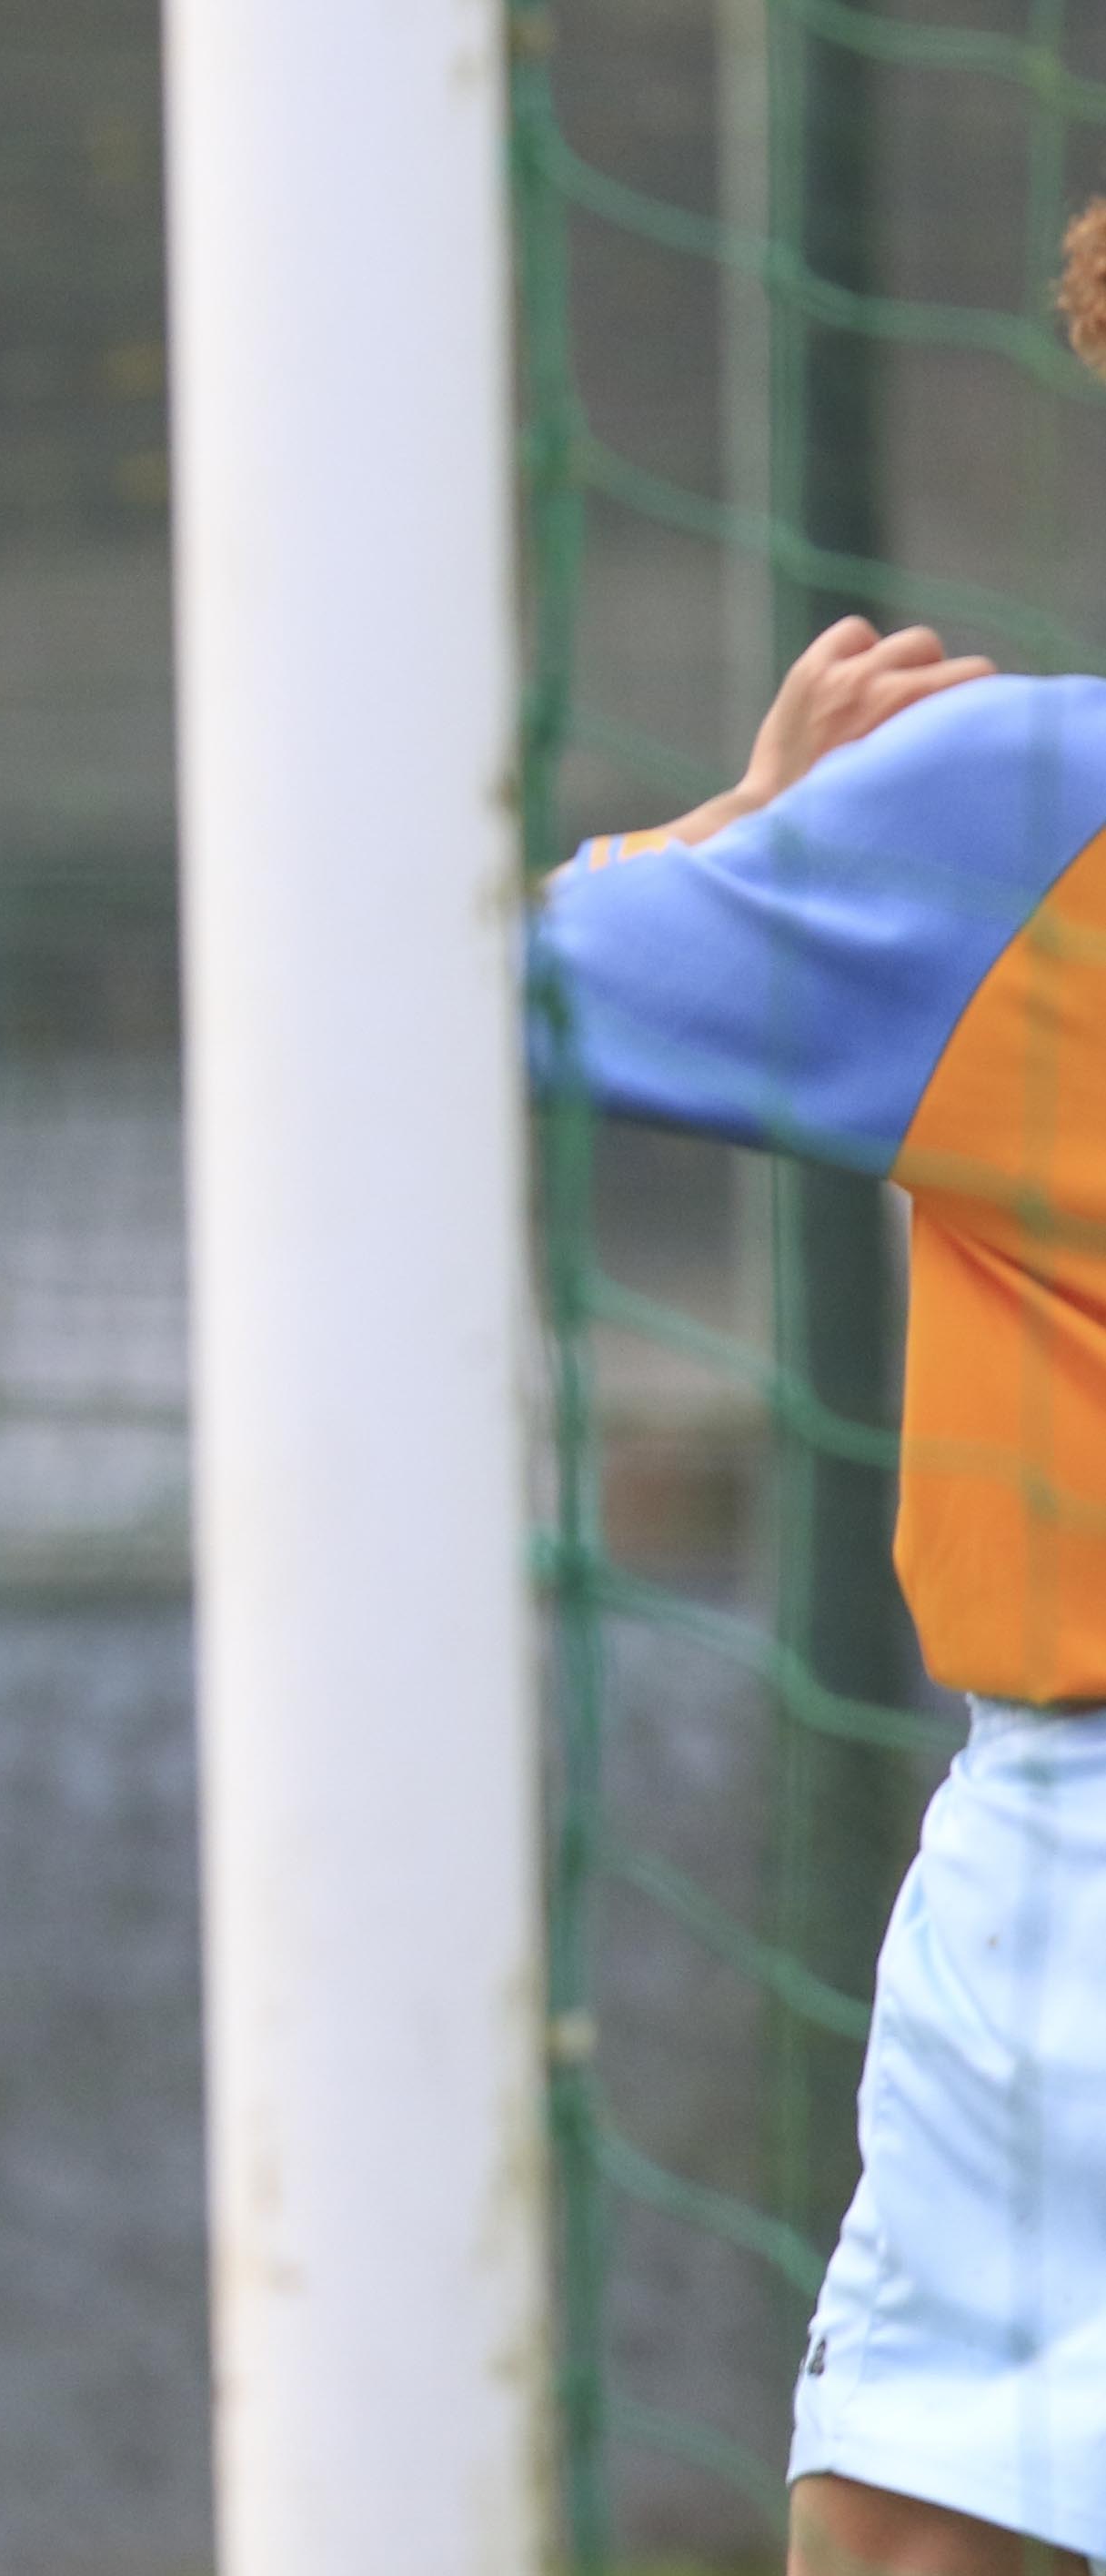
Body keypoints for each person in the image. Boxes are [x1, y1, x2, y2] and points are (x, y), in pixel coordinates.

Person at [537, 573, 1097, 2572]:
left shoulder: (1027, 806)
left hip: (1085, 1873)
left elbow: (492, 991)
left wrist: (750, 818)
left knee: (918, 2546)